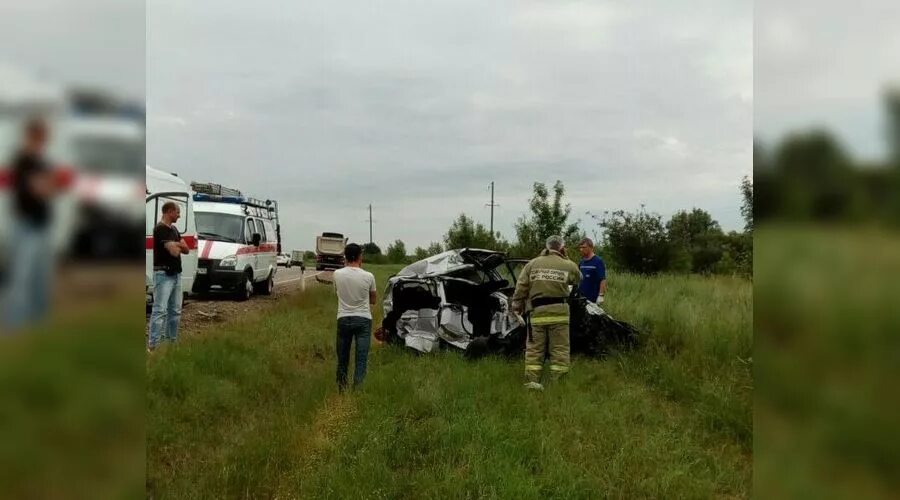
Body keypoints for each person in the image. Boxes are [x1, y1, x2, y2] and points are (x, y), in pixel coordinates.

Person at [3, 118, 56, 331]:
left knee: (40, 278)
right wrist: (47, 185)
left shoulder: (40, 162)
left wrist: (47, 185)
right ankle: (16, 325)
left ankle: (38, 323)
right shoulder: (23, 161)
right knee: (22, 278)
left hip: (40, 225)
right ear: (31, 137)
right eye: (39, 138)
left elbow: (49, 188)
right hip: (27, 226)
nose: (42, 143)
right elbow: (41, 189)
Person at [511, 235, 582, 391]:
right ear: (562, 248)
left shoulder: (532, 264)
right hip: (560, 314)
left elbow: (521, 287)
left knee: (534, 349)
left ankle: (532, 382)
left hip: (537, 314)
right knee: (560, 349)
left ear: (547, 246)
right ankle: (559, 383)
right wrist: (566, 258)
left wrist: (517, 305)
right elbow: (578, 278)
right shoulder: (568, 265)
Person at [332, 243, 376, 391]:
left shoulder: (337, 274)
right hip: (363, 319)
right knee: (361, 357)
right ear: (359, 257)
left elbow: (337, 293)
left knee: (342, 356)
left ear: (345, 257)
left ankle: (342, 387)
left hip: (343, 318)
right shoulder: (369, 276)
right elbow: (373, 300)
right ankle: (358, 388)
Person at [148, 201, 189, 351]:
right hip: (163, 274)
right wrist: (178, 245)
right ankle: (154, 345)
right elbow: (175, 252)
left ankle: (171, 342)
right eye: (177, 212)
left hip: (176, 274)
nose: (179, 215)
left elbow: (186, 249)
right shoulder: (160, 229)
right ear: (170, 212)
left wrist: (175, 244)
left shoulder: (174, 230)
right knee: (160, 310)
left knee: (175, 310)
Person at [577, 237, 607, 304]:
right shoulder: (581, 262)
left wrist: (601, 295)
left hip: (593, 298)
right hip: (581, 297)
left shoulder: (598, 261)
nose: (581, 249)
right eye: (580, 247)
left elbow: (602, 279)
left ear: (591, 247)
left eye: (584, 247)